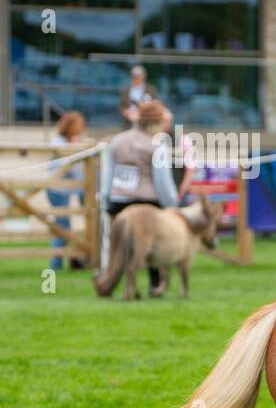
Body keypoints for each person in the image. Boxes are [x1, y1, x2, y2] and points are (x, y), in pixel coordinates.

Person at [102, 99, 180, 293]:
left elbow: (107, 174)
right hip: (147, 202)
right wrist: (172, 204)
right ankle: (155, 284)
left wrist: (105, 199)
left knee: (116, 246)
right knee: (154, 246)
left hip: (118, 202)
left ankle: (108, 280)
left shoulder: (117, 141)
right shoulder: (157, 145)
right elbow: (162, 182)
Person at [47, 110, 88, 270]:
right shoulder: (59, 142)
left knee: (90, 218)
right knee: (63, 227)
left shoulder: (75, 141)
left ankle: (78, 258)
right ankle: (55, 265)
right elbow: (69, 166)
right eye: (80, 125)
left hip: (72, 188)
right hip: (58, 190)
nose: (82, 127)